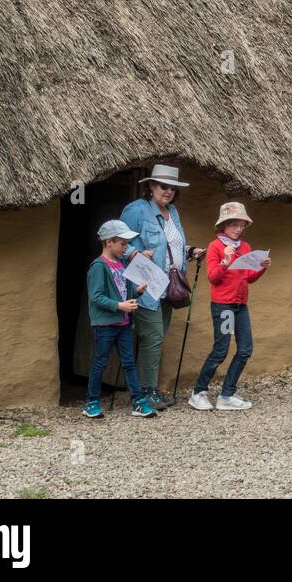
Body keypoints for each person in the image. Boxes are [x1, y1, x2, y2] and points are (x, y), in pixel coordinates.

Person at [119, 164, 205, 409]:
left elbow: (173, 246)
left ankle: (146, 389)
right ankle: (146, 392)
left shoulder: (173, 212)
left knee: (158, 336)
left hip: (169, 285)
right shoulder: (136, 210)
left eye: (172, 188)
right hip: (145, 283)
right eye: (163, 186)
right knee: (153, 337)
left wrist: (190, 251)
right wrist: (135, 252)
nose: (168, 192)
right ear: (151, 186)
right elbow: (118, 241)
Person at [188, 202, 271, 411]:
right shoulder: (215, 246)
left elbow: (249, 278)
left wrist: (262, 268)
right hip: (224, 306)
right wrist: (224, 262)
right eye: (234, 224)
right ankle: (198, 392)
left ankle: (227, 394)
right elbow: (213, 278)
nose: (238, 229)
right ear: (223, 225)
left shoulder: (245, 247)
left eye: (241, 224)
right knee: (221, 350)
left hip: (240, 306)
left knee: (245, 349)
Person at [86, 220, 157, 419]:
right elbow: (96, 296)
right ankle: (92, 402)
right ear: (109, 242)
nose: (125, 248)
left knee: (128, 362)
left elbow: (123, 290)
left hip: (123, 323)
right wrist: (120, 306)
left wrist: (137, 292)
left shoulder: (119, 264)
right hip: (105, 325)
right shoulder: (99, 266)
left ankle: (138, 402)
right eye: (123, 243)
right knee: (100, 362)